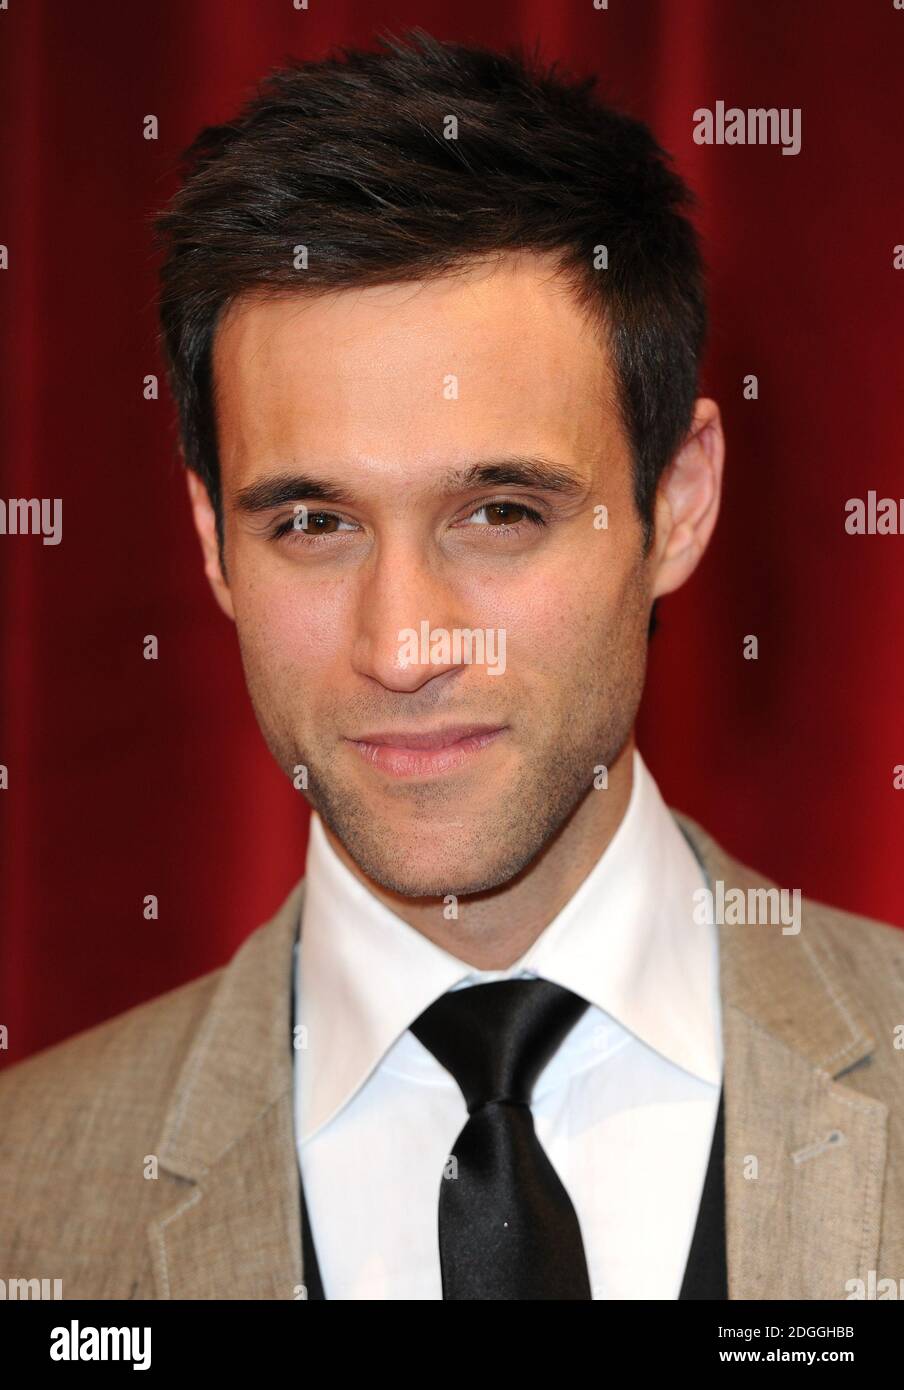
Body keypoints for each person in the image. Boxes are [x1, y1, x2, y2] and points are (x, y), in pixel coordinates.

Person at [1, 28, 901, 1302]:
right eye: (312, 524)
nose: (404, 645)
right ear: (211, 541)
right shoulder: (22, 1200)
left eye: (500, 514)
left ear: (680, 503)